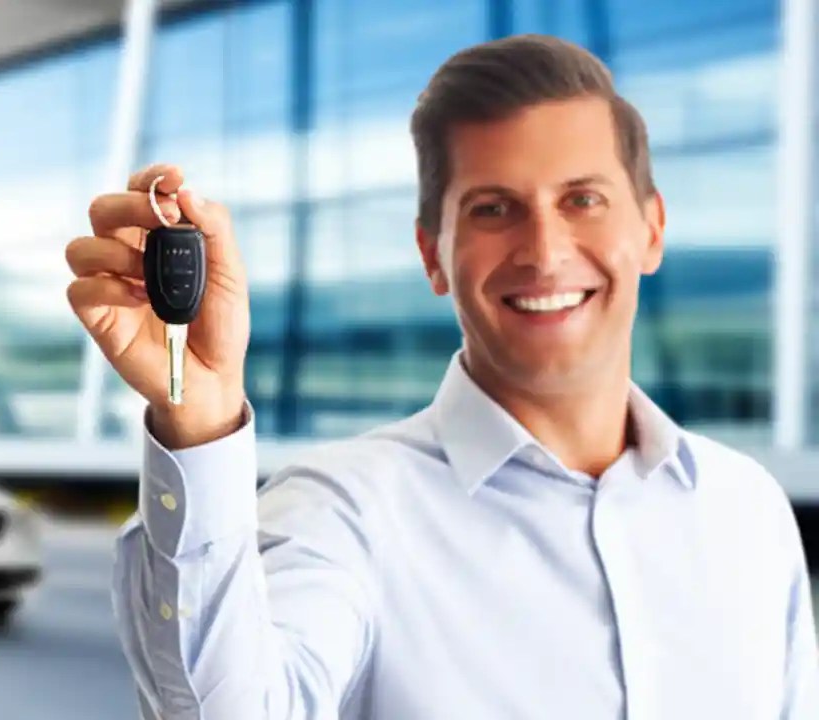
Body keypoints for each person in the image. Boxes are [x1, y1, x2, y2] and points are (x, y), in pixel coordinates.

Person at [65, 34, 819, 719]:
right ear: (433, 256)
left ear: (651, 229)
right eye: (494, 209)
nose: (545, 250)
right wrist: (200, 419)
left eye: (583, 199)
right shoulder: (344, 513)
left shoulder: (747, 509)